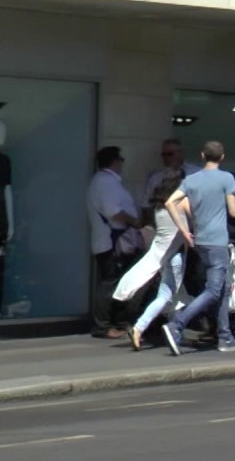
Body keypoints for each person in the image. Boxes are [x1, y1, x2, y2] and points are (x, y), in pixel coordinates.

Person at [160, 141, 235, 355]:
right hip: (218, 241)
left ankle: (225, 336)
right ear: (222, 157)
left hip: (201, 241)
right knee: (214, 290)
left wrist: (184, 230)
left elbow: (171, 202)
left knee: (224, 289)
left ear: (202, 155)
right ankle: (177, 324)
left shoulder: (191, 179)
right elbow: (233, 212)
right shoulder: (227, 178)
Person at [114, 168, 192, 351]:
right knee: (166, 297)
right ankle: (142, 328)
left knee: (175, 297)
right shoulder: (182, 203)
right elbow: (196, 220)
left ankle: (174, 332)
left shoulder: (159, 209)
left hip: (162, 256)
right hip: (176, 256)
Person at [87, 146, 142, 340]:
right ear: (114, 161)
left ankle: (114, 323)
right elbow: (113, 211)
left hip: (108, 241)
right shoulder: (106, 182)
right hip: (111, 243)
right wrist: (135, 222)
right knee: (109, 283)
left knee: (113, 281)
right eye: (121, 159)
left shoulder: (102, 181)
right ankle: (103, 326)